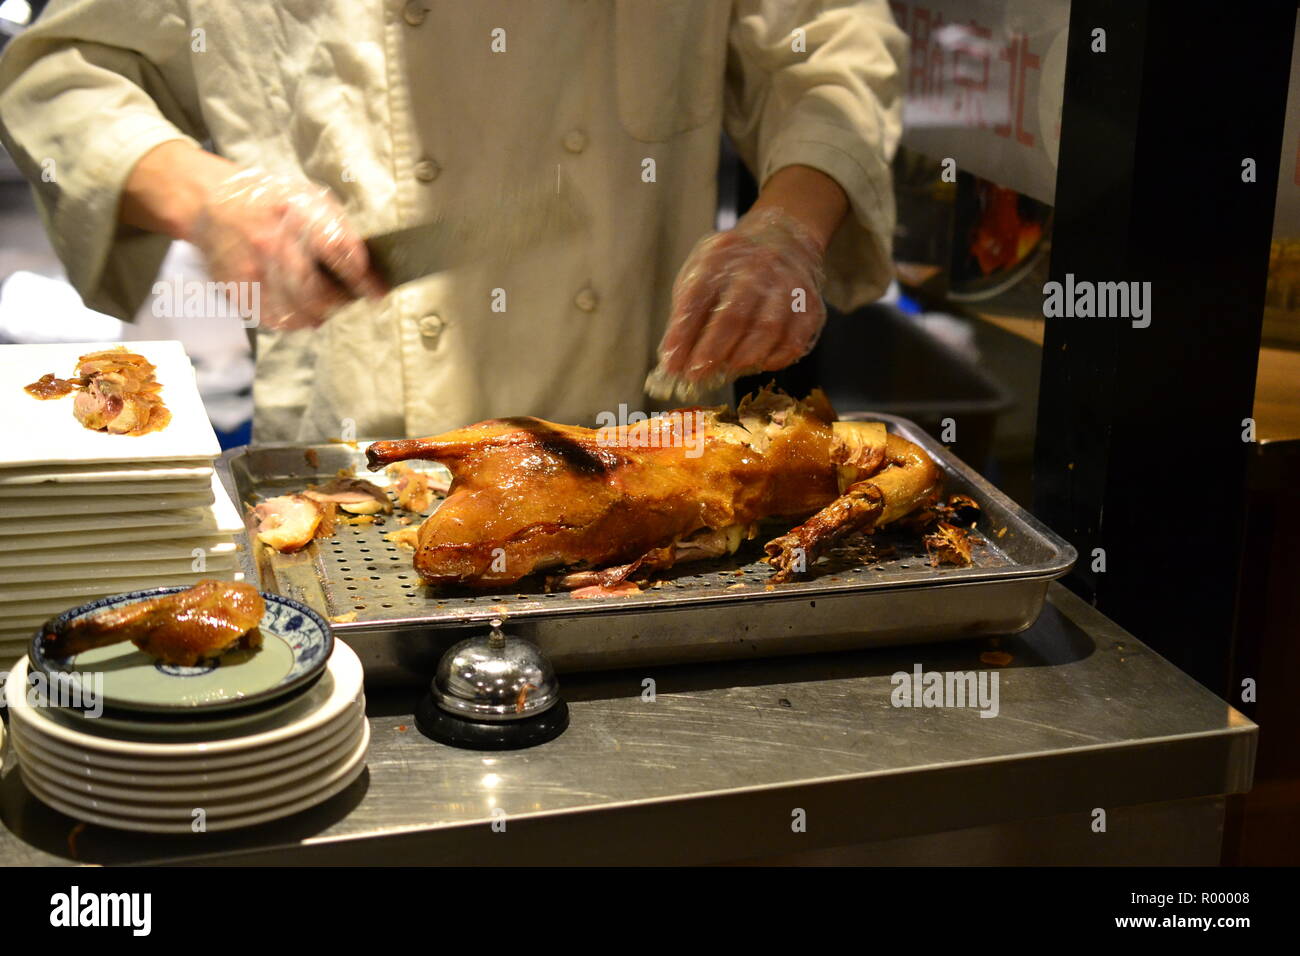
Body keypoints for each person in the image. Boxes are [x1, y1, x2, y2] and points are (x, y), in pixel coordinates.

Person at [0, 0, 905, 442]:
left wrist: (789, 225)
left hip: (646, 446)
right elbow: (59, 76)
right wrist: (203, 195)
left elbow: (826, 45)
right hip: (356, 455)